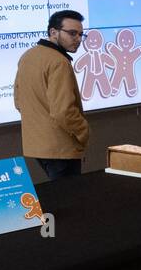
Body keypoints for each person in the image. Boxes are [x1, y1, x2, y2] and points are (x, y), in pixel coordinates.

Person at [13, 9, 90, 180]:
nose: (78, 39)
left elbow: (18, 101)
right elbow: (63, 111)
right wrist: (84, 131)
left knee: (59, 200)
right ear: (53, 32)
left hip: (38, 147)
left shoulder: (28, 56)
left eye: (81, 34)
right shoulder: (59, 62)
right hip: (61, 147)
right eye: (72, 33)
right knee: (71, 200)